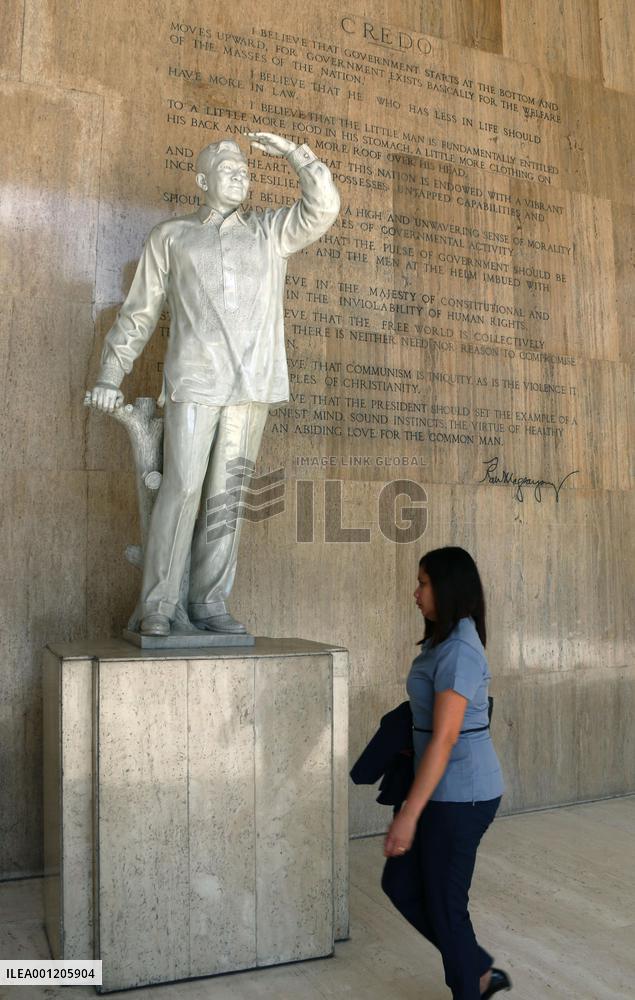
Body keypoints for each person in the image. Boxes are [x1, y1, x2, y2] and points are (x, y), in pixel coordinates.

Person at [87, 132, 339, 636]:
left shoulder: (271, 232)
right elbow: (138, 316)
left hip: (250, 386)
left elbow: (324, 206)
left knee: (228, 497)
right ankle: (159, 603)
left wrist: (296, 155)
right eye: (227, 169)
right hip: (195, 381)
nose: (240, 174)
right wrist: (110, 375)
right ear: (201, 181)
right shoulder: (171, 237)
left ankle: (208, 602)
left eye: (244, 169)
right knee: (180, 488)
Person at [382, 546, 511, 999]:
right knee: (400, 883)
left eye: (423, 582)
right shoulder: (446, 641)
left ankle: (469, 984)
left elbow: (445, 738)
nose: (415, 592)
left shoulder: (460, 650)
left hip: (462, 795)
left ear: (448, 588)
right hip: (441, 789)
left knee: (445, 903)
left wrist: (408, 815)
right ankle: (472, 967)